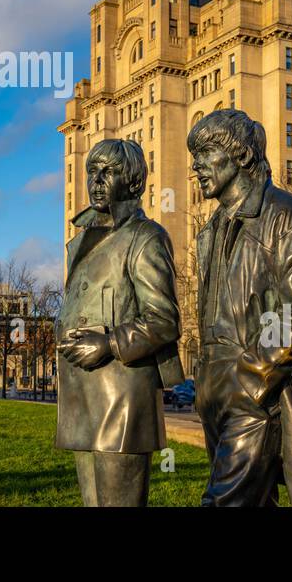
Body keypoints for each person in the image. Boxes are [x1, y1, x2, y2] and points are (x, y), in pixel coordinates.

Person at [187, 109, 292, 506]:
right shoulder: (211, 230)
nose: (195, 165)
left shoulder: (283, 213)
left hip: (256, 389)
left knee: (224, 502)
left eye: (205, 152)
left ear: (241, 156)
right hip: (214, 391)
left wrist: (255, 373)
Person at [56, 138, 182, 507]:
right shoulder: (82, 241)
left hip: (122, 395)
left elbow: (164, 319)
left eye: (108, 172)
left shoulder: (146, 238)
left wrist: (109, 343)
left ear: (131, 181)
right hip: (83, 393)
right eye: (92, 171)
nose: (96, 181)